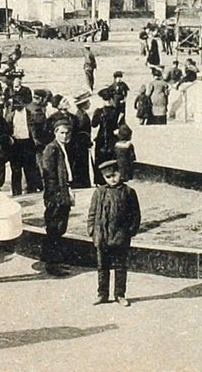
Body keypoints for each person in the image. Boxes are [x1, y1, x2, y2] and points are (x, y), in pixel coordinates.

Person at [88, 159, 141, 306]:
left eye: (114, 175)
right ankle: (102, 294)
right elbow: (92, 213)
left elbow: (135, 215)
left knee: (120, 266)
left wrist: (130, 231)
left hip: (120, 236)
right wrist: (92, 230)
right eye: (108, 177)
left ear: (120, 173)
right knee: (102, 267)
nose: (112, 179)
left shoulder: (129, 192)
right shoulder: (99, 192)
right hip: (102, 236)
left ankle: (120, 294)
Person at [40, 116, 76, 276]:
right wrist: (55, 197)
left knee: (60, 228)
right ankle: (52, 264)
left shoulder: (62, 147)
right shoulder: (51, 148)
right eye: (61, 133)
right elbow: (48, 175)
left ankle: (56, 261)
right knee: (54, 228)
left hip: (63, 191)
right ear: (55, 132)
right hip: (56, 195)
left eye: (67, 133)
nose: (65, 136)